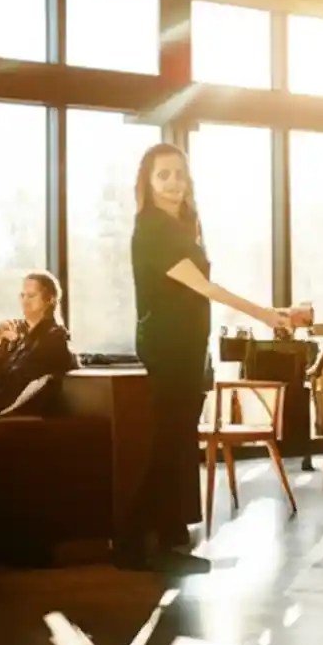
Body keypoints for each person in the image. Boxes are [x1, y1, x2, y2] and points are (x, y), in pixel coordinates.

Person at [123, 142, 293, 574]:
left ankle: (163, 539)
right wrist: (266, 314)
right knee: (167, 444)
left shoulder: (179, 227)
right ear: (148, 181)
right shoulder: (153, 229)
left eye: (180, 174)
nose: (174, 182)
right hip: (168, 344)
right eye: (164, 175)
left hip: (185, 345)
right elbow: (205, 289)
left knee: (177, 444)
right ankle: (130, 541)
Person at [0, 271, 76, 418]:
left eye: (31, 296)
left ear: (50, 299)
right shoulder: (18, 336)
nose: (25, 301)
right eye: (22, 295)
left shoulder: (54, 339)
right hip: (0, 407)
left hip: (23, 413)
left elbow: (14, 387)